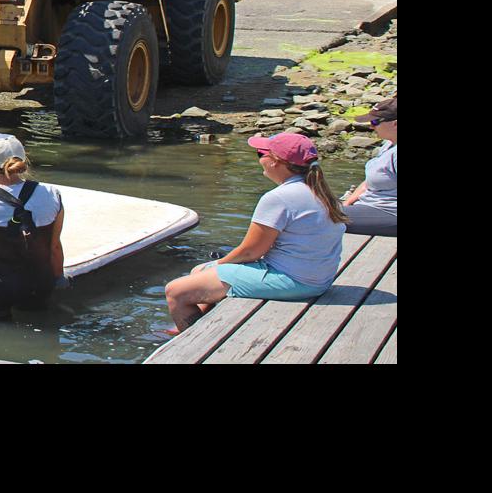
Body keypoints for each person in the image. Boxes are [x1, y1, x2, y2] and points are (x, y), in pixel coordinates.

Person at [163, 132, 347, 333]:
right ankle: (192, 327)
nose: (260, 159)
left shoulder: (278, 198)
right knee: (198, 272)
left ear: (275, 161)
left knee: (175, 291)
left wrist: (217, 263)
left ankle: (192, 342)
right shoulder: (320, 191)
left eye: (261, 153)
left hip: (294, 282)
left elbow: (251, 252)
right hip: (318, 279)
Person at [0, 132, 66, 321]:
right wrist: (58, 279)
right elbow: (54, 246)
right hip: (36, 286)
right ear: (22, 161)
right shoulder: (52, 194)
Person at [341, 96, 396, 236]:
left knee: (315, 216)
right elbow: (367, 184)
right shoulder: (389, 144)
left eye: (375, 122)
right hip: (371, 206)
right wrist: (346, 204)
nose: (371, 126)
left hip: (390, 213)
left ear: (395, 124)